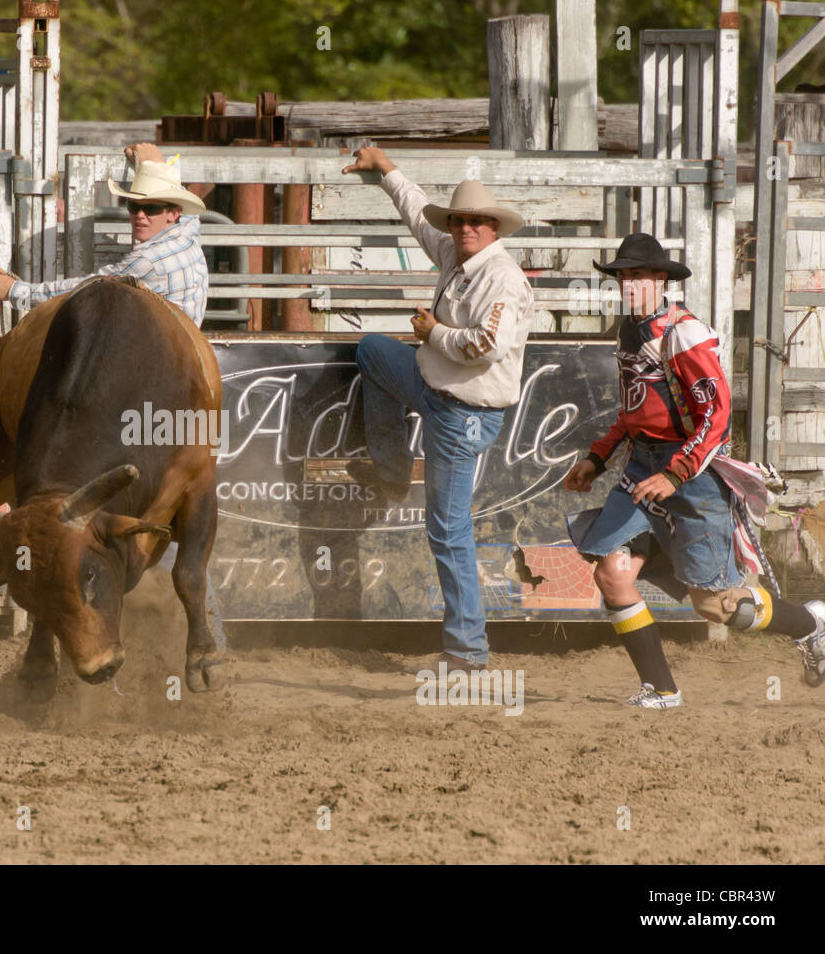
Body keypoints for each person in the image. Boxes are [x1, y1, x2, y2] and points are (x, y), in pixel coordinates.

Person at [564, 232, 825, 708]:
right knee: (612, 573)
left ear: (660, 279)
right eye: (622, 275)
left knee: (718, 607)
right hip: (643, 467)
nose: (628, 283)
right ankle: (661, 689)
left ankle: (811, 625)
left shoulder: (684, 334)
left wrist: (677, 473)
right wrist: (597, 456)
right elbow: (633, 411)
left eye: (638, 274)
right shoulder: (630, 331)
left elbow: (717, 417)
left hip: (692, 475)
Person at [340, 147, 534, 672]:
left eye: (475, 222)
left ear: (494, 229)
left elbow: (485, 346)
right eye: (458, 221)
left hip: (464, 412)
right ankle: (392, 468)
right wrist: (387, 170)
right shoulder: (457, 254)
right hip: (437, 390)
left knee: (449, 531)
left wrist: (434, 332)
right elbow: (415, 211)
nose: (465, 228)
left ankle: (469, 651)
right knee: (374, 352)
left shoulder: (503, 278)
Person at [0, 142, 210, 326]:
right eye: (134, 207)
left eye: (152, 208)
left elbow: (89, 289)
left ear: (172, 213)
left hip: (159, 351)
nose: (140, 215)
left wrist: (15, 291)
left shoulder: (148, 261)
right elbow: (189, 214)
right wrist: (152, 167)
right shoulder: (186, 230)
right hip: (184, 336)